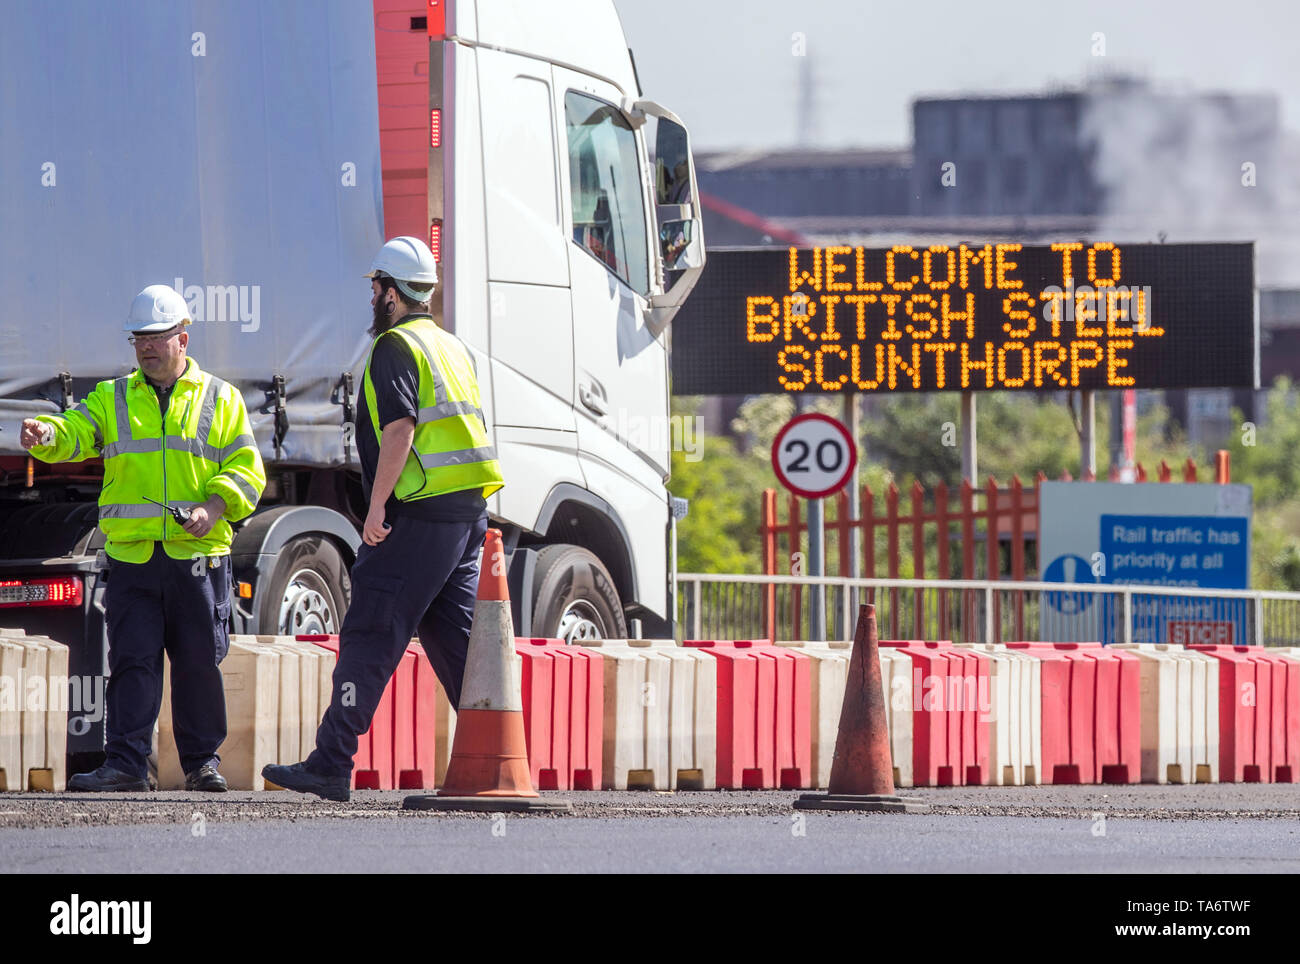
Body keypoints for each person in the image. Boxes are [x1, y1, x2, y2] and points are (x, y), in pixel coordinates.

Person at [263, 237, 504, 801]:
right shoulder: (451, 346)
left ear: (392, 293)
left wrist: (375, 509)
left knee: (371, 630)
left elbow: (401, 429)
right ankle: (496, 758)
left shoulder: (395, 347)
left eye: (376, 288)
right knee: (457, 644)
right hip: (465, 514)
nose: (372, 297)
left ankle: (330, 762)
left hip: (417, 515)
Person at [20, 284, 266, 792]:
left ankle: (202, 765)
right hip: (133, 556)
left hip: (197, 555)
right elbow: (73, 432)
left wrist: (212, 507)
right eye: (139, 339)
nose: (147, 348)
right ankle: (128, 765)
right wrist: (44, 434)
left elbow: (247, 471)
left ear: (184, 338)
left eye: (157, 338)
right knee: (132, 660)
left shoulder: (222, 399)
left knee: (198, 662)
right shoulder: (112, 397)